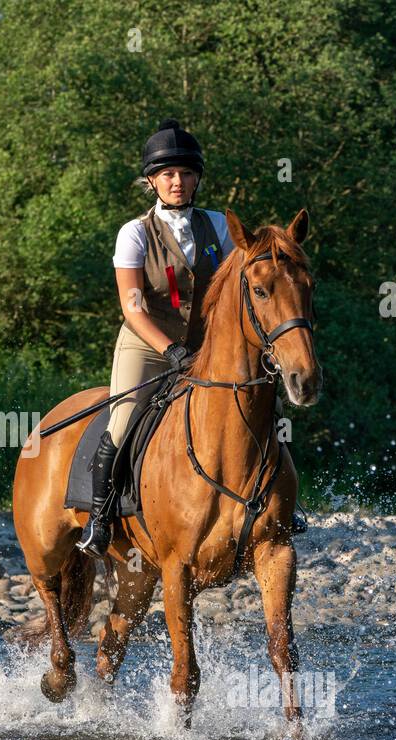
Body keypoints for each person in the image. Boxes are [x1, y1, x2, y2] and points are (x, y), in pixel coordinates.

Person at [76, 119, 236, 556]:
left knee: (257, 403)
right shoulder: (134, 233)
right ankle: (100, 516)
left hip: (206, 345)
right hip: (148, 342)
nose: (178, 181)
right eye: (168, 174)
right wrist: (171, 350)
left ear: (197, 178)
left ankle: (278, 503)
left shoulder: (220, 227)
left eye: (185, 173)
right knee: (124, 416)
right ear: (152, 181)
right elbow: (132, 306)